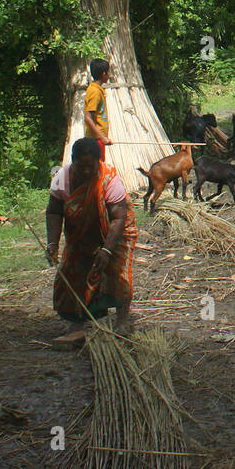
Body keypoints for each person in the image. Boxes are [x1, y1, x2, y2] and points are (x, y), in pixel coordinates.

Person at [45, 137, 138, 346]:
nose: (86, 172)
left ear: (99, 162)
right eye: (81, 167)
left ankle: (122, 320)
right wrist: (52, 244)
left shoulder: (108, 179)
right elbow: (53, 212)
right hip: (81, 232)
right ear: (72, 161)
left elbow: (118, 217)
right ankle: (77, 322)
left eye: (91, 166)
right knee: (74, 270)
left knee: (116, 272)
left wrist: (106, 250)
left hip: (115, 231)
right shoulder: (62, 179)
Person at [84, 57, 113, 160]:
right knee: (97, 169)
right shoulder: (95, 92)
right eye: (108, 72)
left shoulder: (97, 90)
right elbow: (88, 117)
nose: (109, 74)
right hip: (95, 141)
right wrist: (102, 137)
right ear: (104, 74)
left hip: (98, 139)